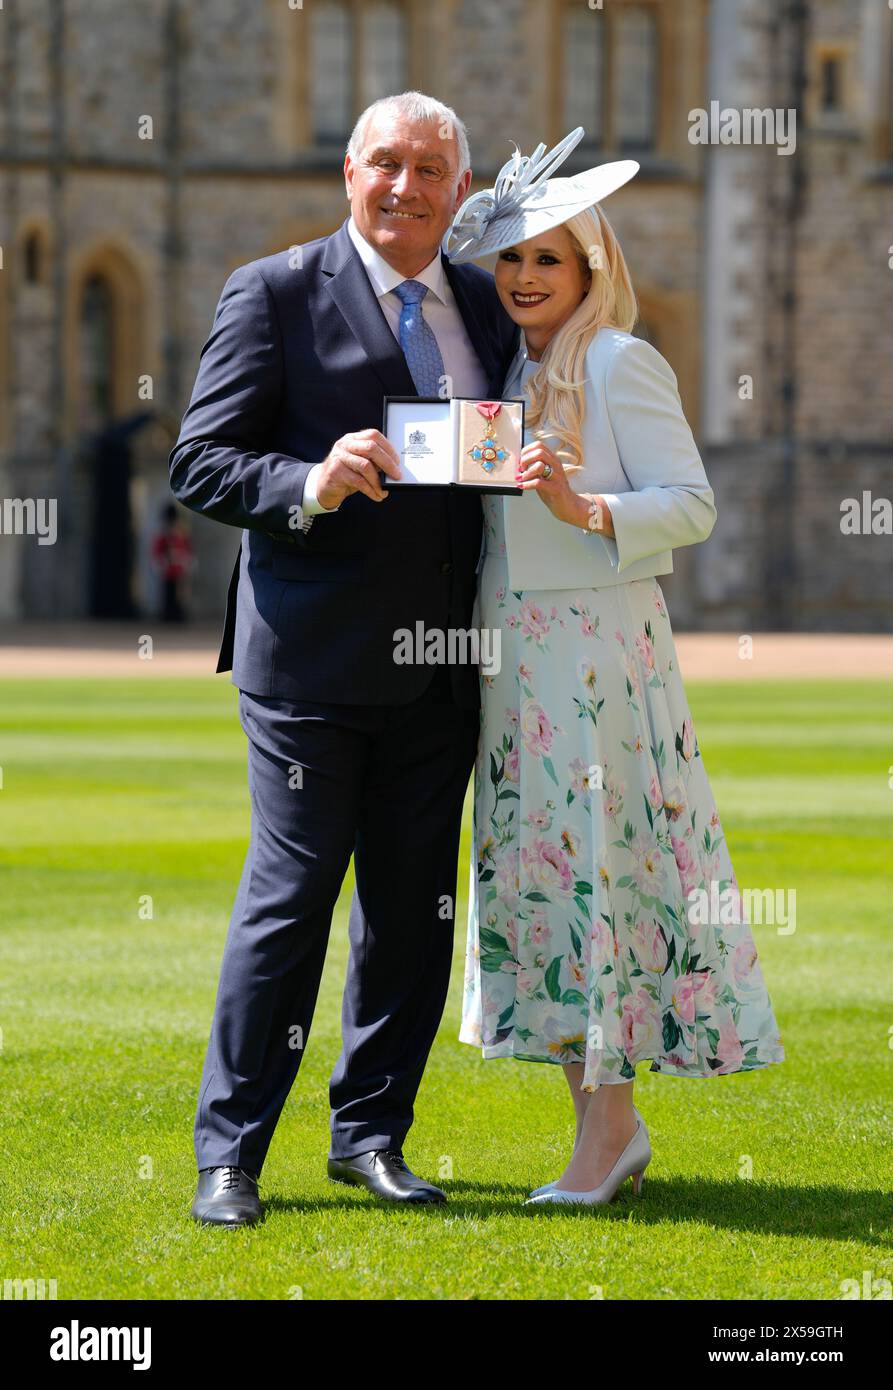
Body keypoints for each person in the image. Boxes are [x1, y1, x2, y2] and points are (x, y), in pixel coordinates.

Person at [169, 92, 519, 1225]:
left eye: (429, 170)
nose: (406, 188)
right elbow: (201, 463)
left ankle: (370, 1133)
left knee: (411, 915)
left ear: (458, 192)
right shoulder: (270, 292)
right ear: (348, 173)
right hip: (310, 667)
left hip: (444, 666)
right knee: (290, 901)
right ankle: (230, 1153)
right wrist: (307, 483)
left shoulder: (483, 305)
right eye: (385, 164)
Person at [448, 130, 785, 1206]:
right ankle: (608, 1131)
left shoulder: (612, 359)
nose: (524, 277)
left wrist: (578, 506)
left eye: (547, 258)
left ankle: (605, 1139)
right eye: (510, 259)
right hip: (518, 662)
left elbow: (691, 502)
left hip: (596, 665)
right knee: (545, 883)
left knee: (599, 880)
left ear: (589, 266)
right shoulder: (515, 365)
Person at [151, 502, 195, 622]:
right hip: (168, 571)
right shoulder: (164, 536)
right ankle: (168, 616)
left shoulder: (181, 535)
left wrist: (186, 564)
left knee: (179, 596)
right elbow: (158, 553)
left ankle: (177, 616)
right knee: (167, 595)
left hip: (178, 571)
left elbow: (188, 551)